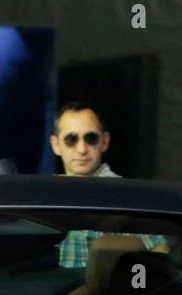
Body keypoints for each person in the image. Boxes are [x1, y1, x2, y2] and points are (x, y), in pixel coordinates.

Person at [50, 102, 164, 269]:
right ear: (56, 145)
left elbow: (159, 250)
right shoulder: (46, 194)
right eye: (71, 139)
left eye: (91, 138)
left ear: (104, 141)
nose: (82, 149)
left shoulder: (128, 195)